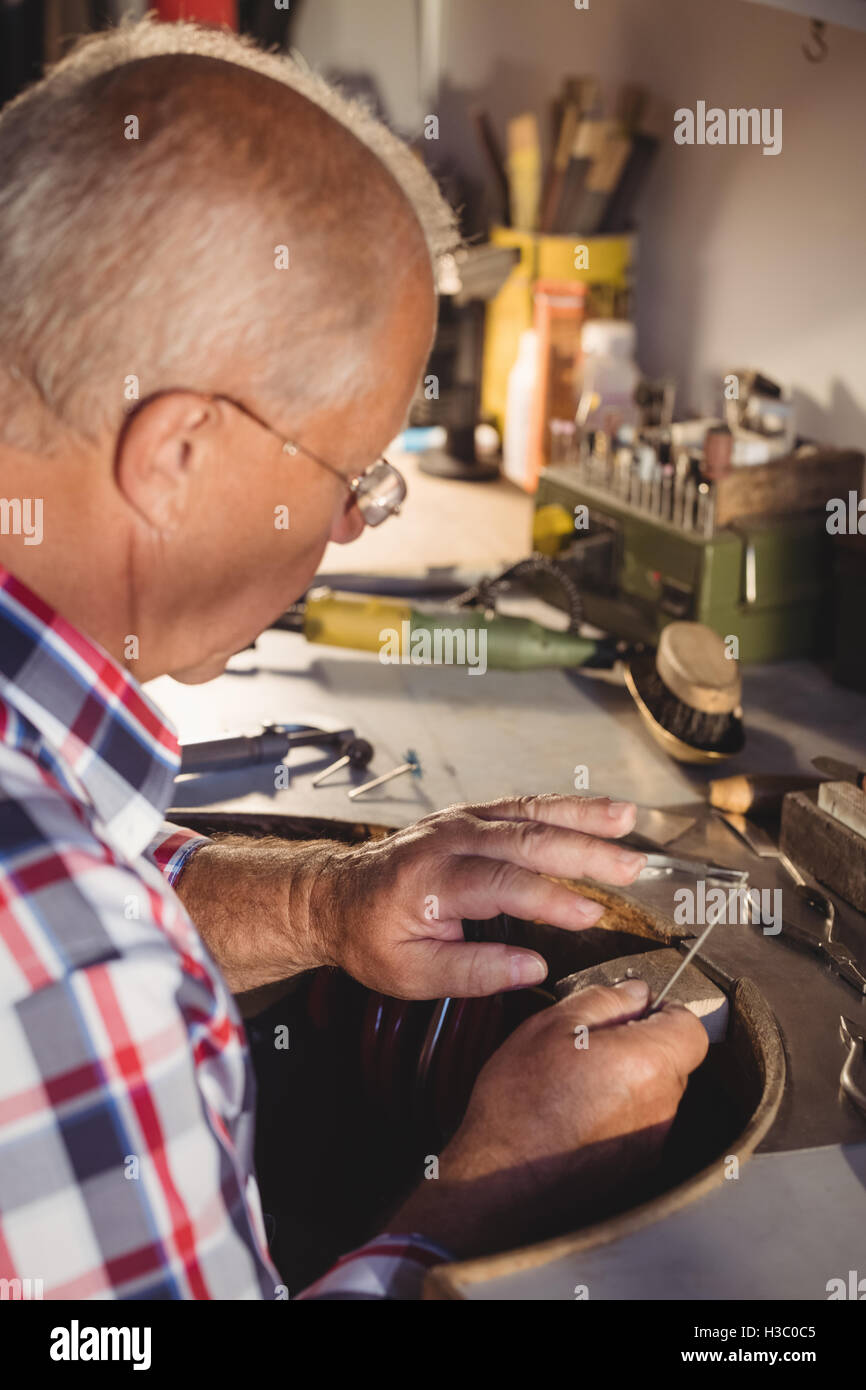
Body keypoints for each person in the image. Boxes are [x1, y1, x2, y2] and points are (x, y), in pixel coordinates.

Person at [0, 18, 707, 1300]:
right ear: (180, 455)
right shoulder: (67, 963)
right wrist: (496, 1188)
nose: (347, 526)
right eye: (351, 475)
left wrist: (319, 906)